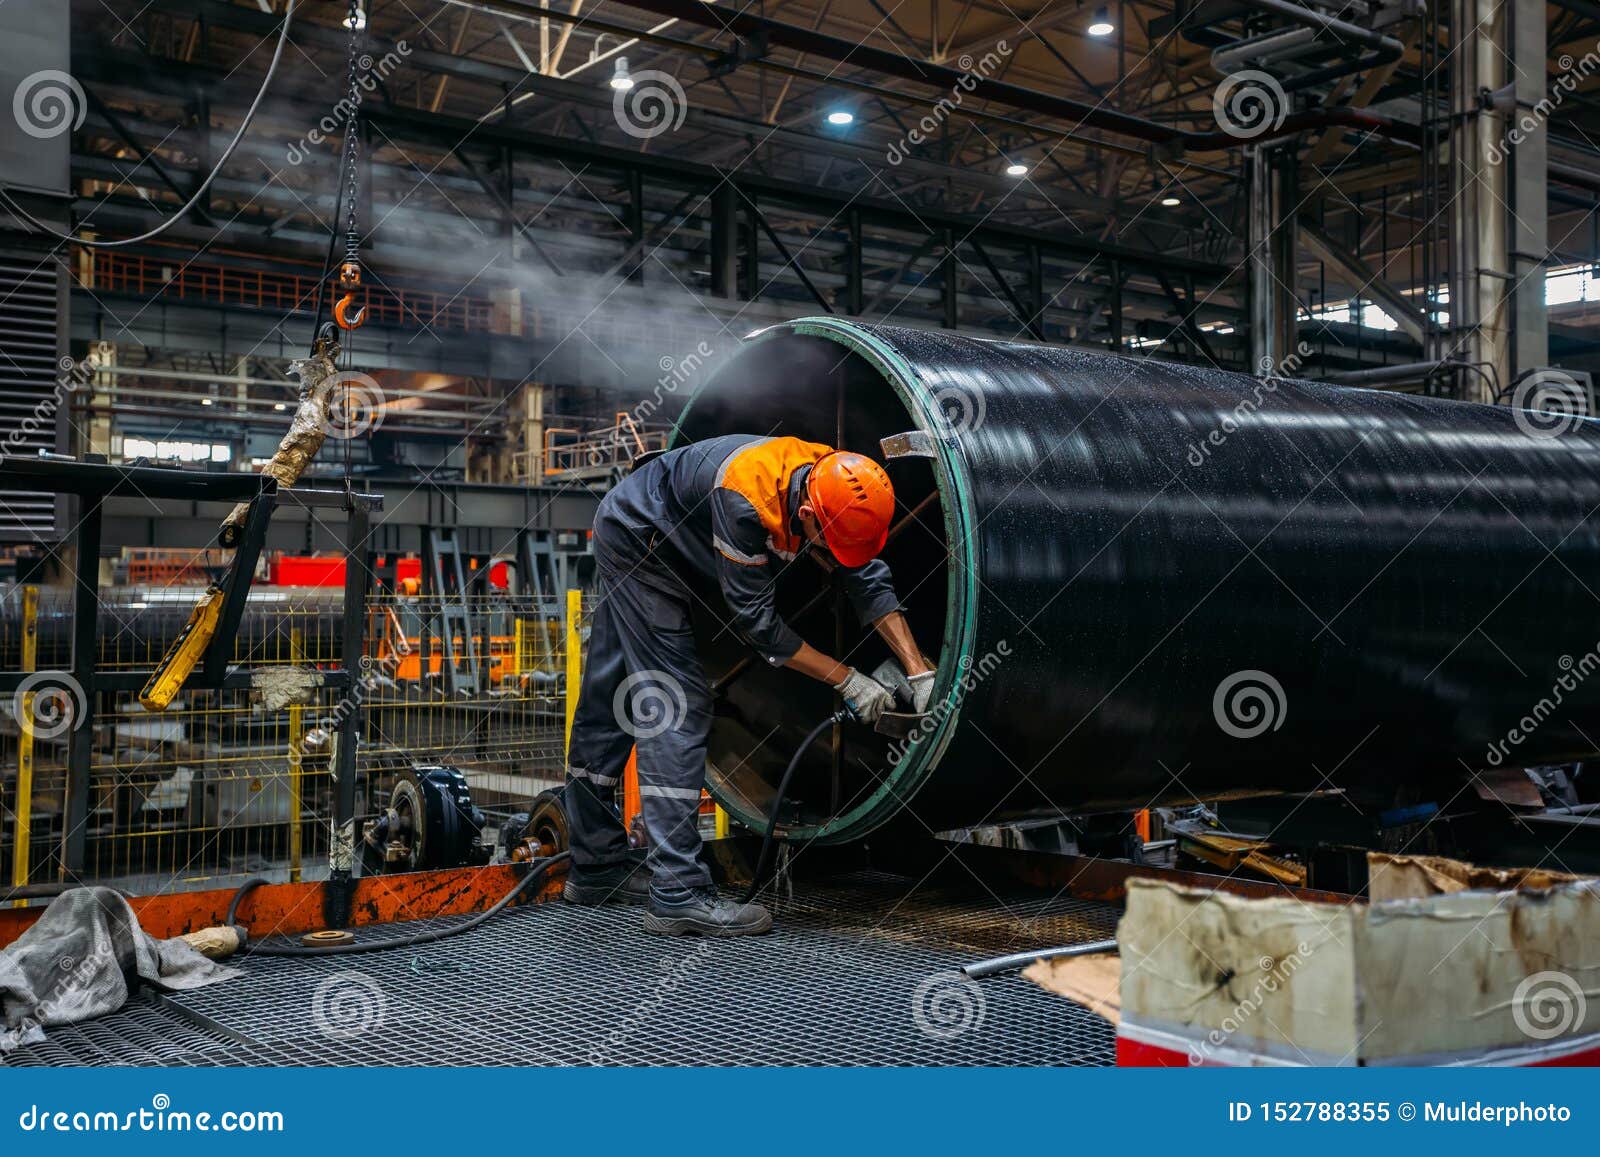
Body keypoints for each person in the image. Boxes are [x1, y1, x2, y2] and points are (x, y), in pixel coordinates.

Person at [560, 434, 936, 936]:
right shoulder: (743, 499)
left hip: (644, 521)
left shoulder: (836, 483)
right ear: (805, 511)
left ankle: (595, 865)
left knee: (610, 694)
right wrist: (849, 681)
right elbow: (759, 629)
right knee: (677, 702)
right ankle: (677, 893)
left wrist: (919, 670)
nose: (832, 556)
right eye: (826, 543)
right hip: (641, 545)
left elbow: (863, 574)